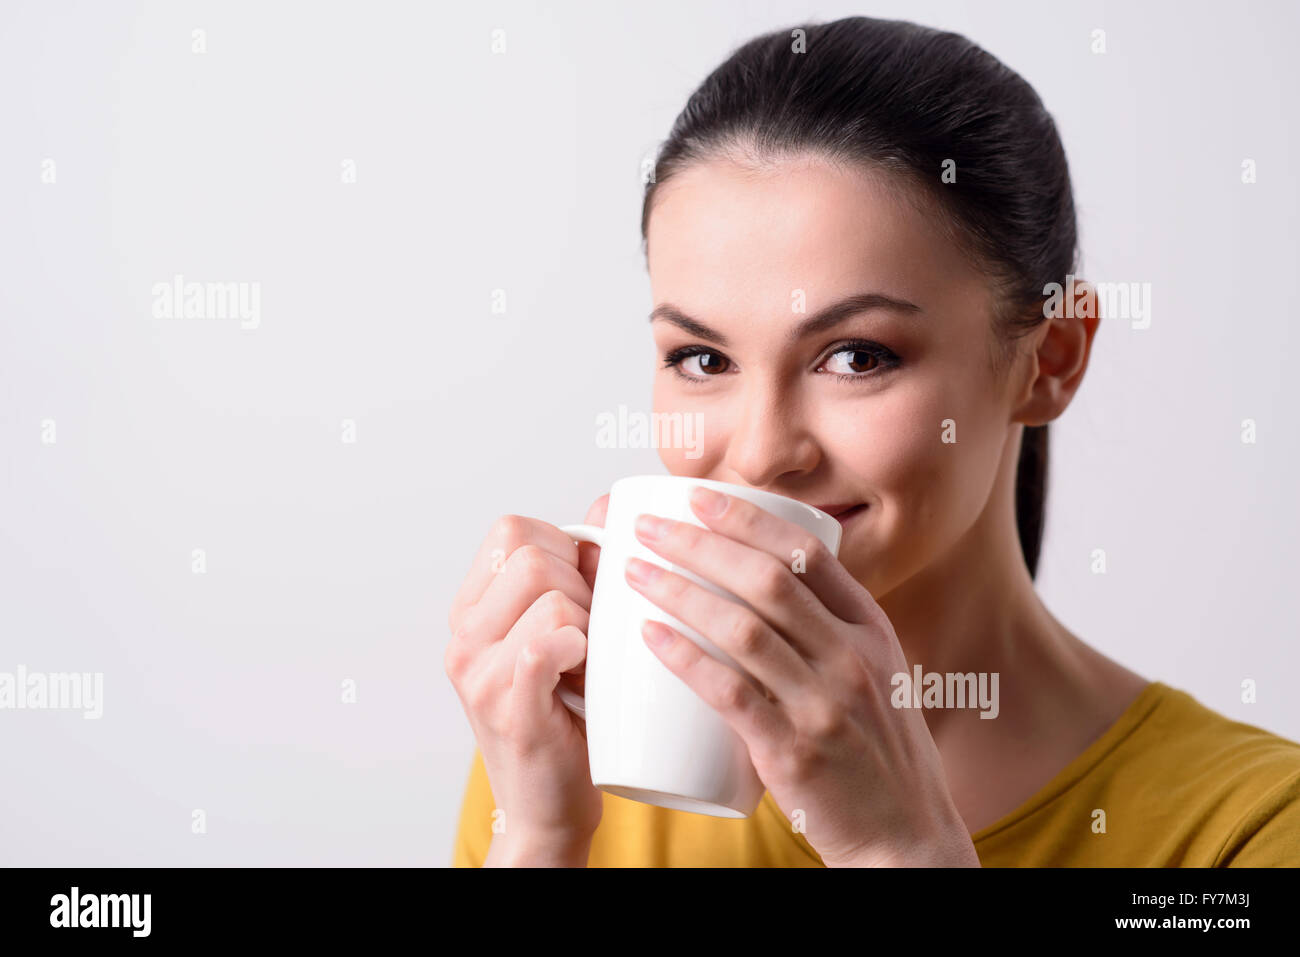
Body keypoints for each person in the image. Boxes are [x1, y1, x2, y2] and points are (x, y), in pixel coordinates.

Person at [446, 15, 1300, 866]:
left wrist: (900, 849)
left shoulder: (1248, 832)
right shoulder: (559, 772)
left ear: (1050, 359)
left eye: (856, 356)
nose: (759, 452)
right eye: (702, 357)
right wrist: (540, 838)